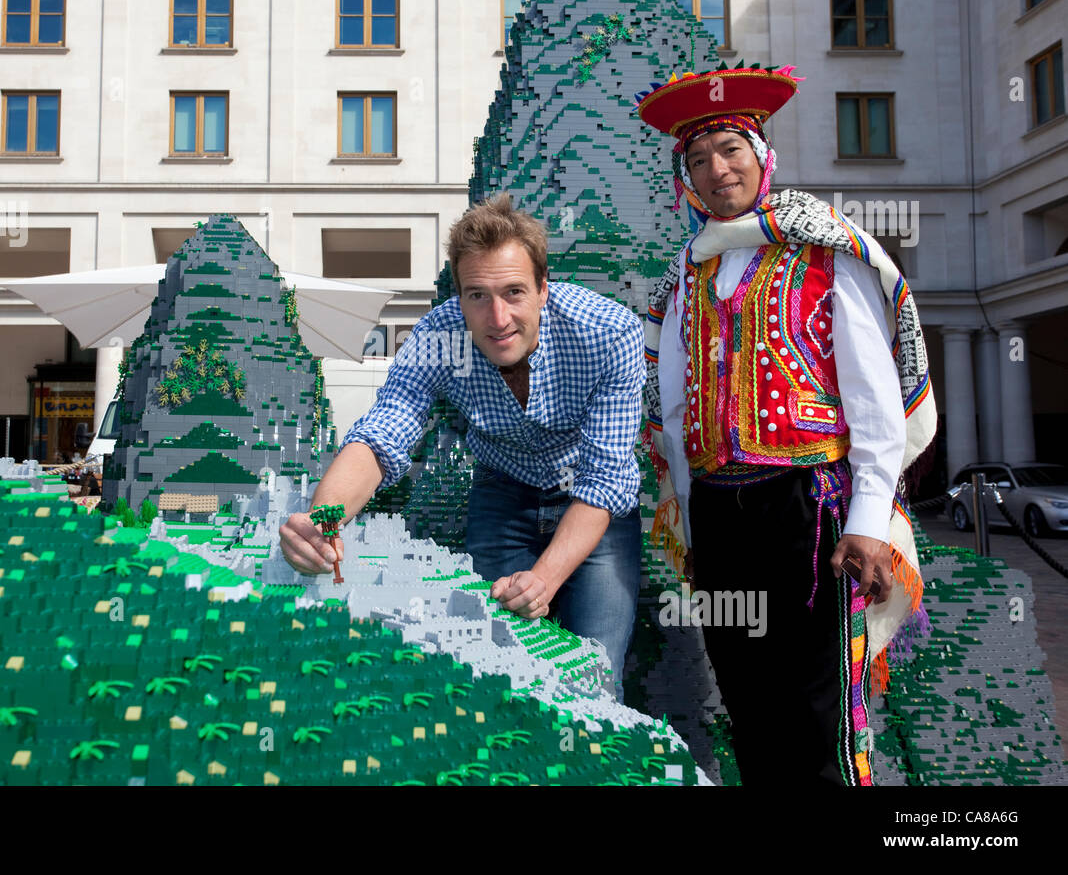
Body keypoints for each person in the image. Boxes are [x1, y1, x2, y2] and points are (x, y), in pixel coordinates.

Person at [636, 65, 936, 785]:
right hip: (718, 511)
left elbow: (873, 399)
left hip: (809, 509)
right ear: (687, 179)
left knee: (816, 702)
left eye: (730, 150)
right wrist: (688, 515)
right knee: (746, 694)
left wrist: (867, 519)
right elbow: (674, 410)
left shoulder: (825, 251)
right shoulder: (686, 275)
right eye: (699, 159)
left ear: (763, 157)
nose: (717, 169)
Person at [279, 194, 645, 701]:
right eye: (477, 295)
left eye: (514, 292)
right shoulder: (438, 334)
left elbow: (606, 477)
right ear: (458, 295)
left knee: (597, 677)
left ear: (543, 288)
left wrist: (542, 581)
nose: (497, 318)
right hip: (504, 494)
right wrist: (322, 523)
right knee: (492, 672)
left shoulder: (608, 332)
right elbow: (385, 431)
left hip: (593, 505)